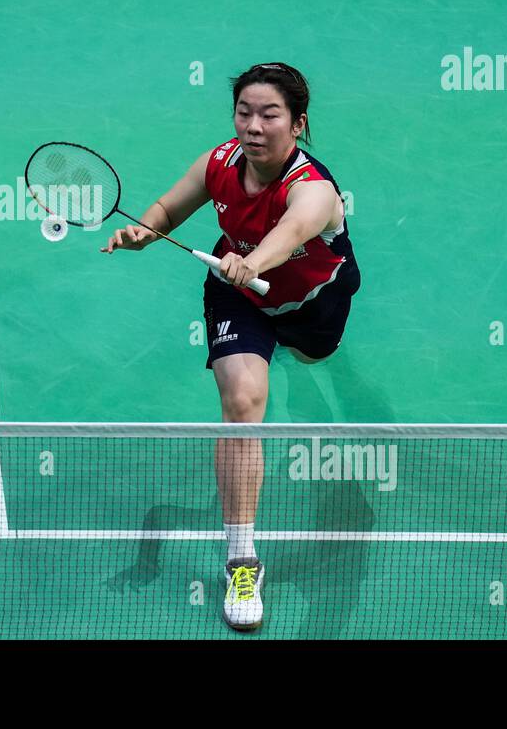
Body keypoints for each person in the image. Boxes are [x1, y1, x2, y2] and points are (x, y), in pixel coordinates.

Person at [101, 62, 361, 632]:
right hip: (238, 297)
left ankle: (298, 356)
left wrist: (255, 262)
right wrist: (144, 231)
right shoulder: (218, 164)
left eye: (270, 115)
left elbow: (290, 234)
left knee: (315, 359)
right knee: (244, 402)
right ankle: (242, 557)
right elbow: (170, 208)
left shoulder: (314, 191)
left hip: (312, 301)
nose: (254, 125)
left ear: (298, 124)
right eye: (244, 112)